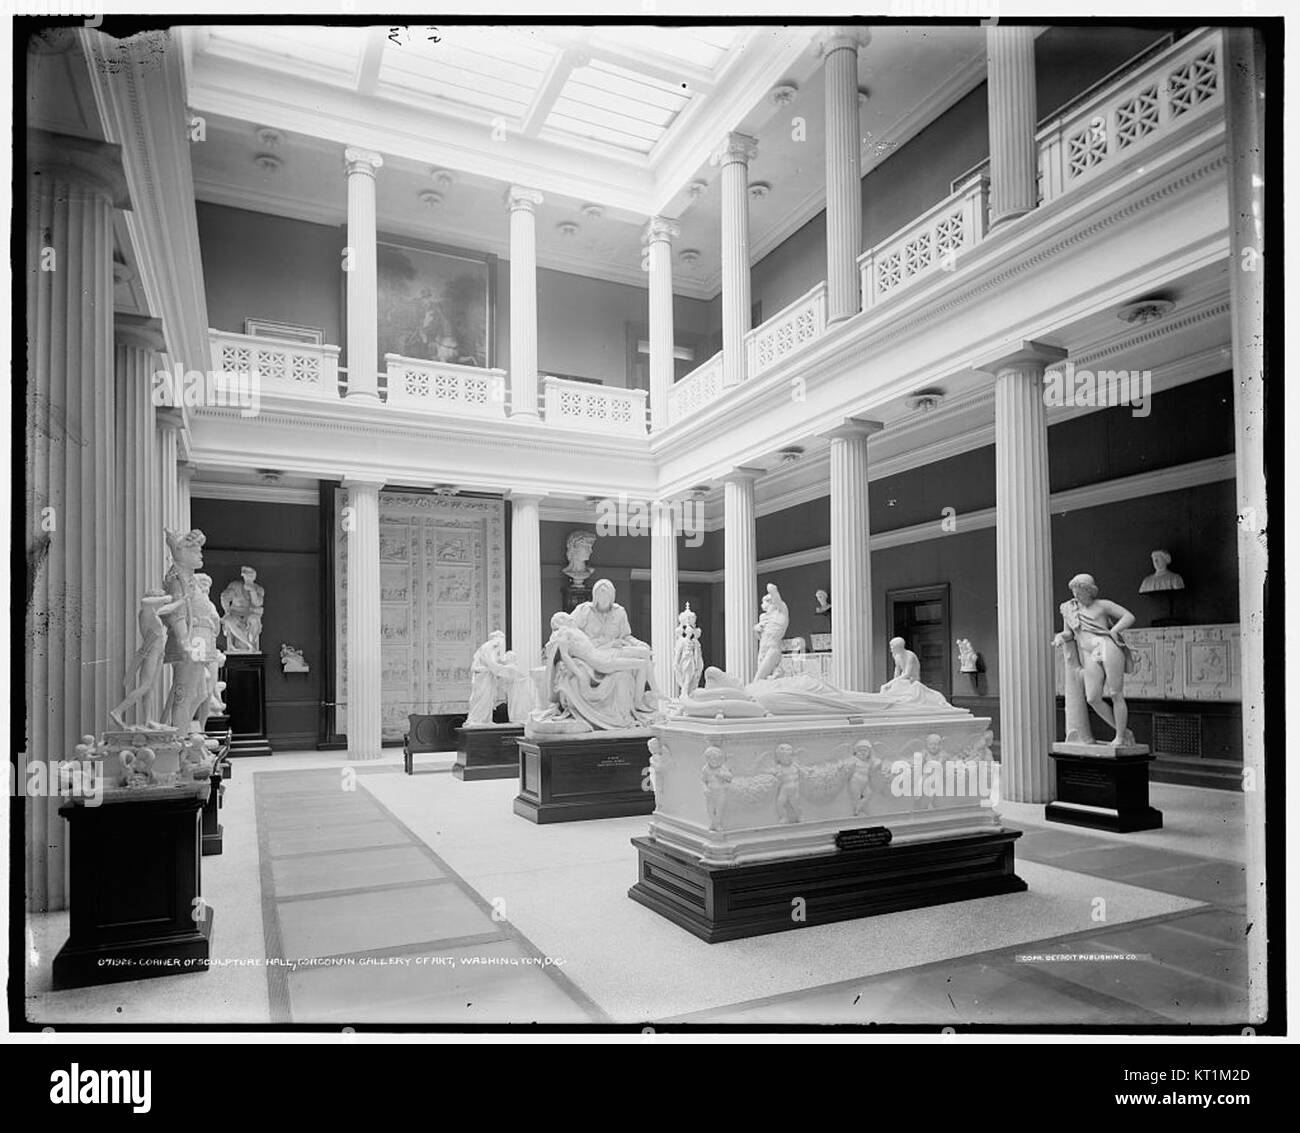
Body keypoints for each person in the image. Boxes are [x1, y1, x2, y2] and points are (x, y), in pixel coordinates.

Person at [1053, 573, 1137, 745]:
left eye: (1079, 591)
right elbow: (1069, 633)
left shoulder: (1102, 605)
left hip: (1106, 647)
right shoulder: (1070, 610)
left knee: (1116, 694)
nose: (1076, 595)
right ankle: (1124, 731)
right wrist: (1060, 637)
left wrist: (1114, 631)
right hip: (1090, 653)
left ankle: (1120, 737)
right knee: (1092, 698)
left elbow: (1128, 616)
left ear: (1089, 591)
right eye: (1074, 591)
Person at [753, 583, 789, 681]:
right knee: (767, 679)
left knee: (758, 679)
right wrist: (756, 629)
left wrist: (771, 590)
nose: (762, 606)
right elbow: (761, 638)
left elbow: (775, 594)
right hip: (762, 649)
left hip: (772, 649)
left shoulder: (781, 612)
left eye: (764, 603)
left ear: (771, 602)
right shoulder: (764, 618)